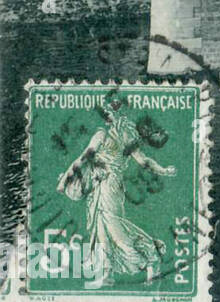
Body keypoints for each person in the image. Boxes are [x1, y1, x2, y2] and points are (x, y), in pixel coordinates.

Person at [55, 102, 173, 282]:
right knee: (100, 228)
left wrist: (163, 171)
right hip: (97, 184)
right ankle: (107, 272)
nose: (110, 113)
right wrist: (65, 181)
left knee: (114, 228)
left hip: (111, 185)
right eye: (108, 110)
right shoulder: (102, 134)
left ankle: (151, 256)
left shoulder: (125, 133)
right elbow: (83, 158)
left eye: (112, 110)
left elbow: (143, 161)